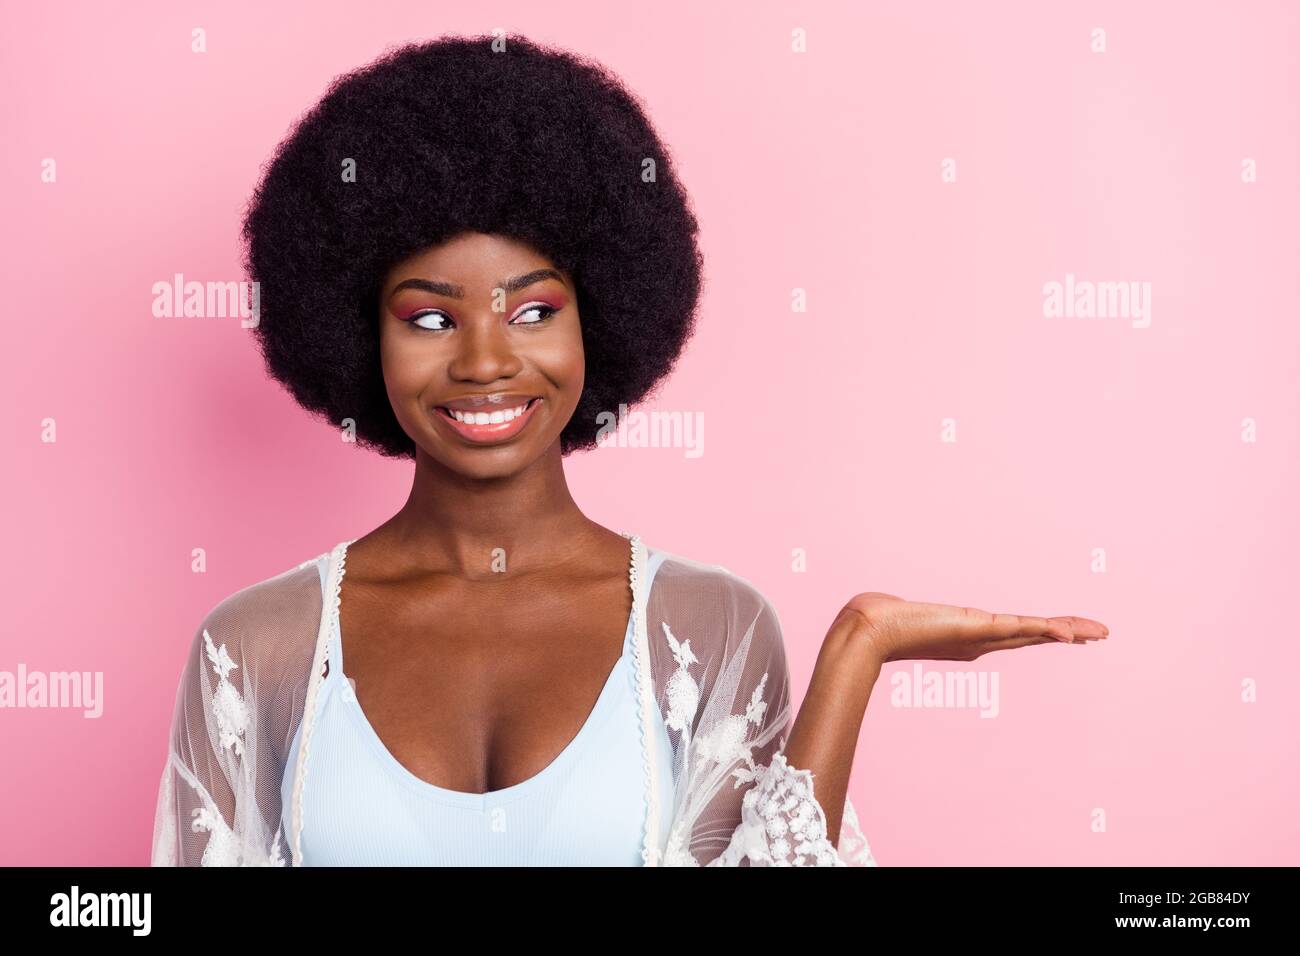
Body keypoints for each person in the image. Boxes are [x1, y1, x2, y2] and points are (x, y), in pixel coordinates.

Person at [151, 33, 1107, 867]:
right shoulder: (258, 648)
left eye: (533, 311)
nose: (486, 360)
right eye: (431, 318)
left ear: (597, 320)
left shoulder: (704, 627)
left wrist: (859, 646)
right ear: (363, 337)